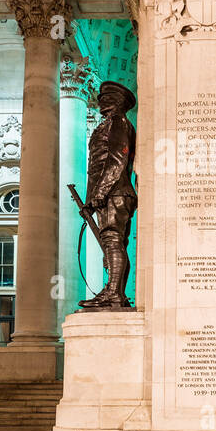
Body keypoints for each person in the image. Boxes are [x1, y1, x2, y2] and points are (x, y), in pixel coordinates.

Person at [79, 81, 137, 308]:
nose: (101, 101)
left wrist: (101, 192)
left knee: (112, 241)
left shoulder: (119, 123)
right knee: (113, 243)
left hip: (116, 192)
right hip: (109, 193)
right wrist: (89, 201)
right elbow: (94, 167)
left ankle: (114, 292)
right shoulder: (105, 126)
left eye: (108, 98)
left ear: (118, 102)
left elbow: (117, 159)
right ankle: (114, 290)